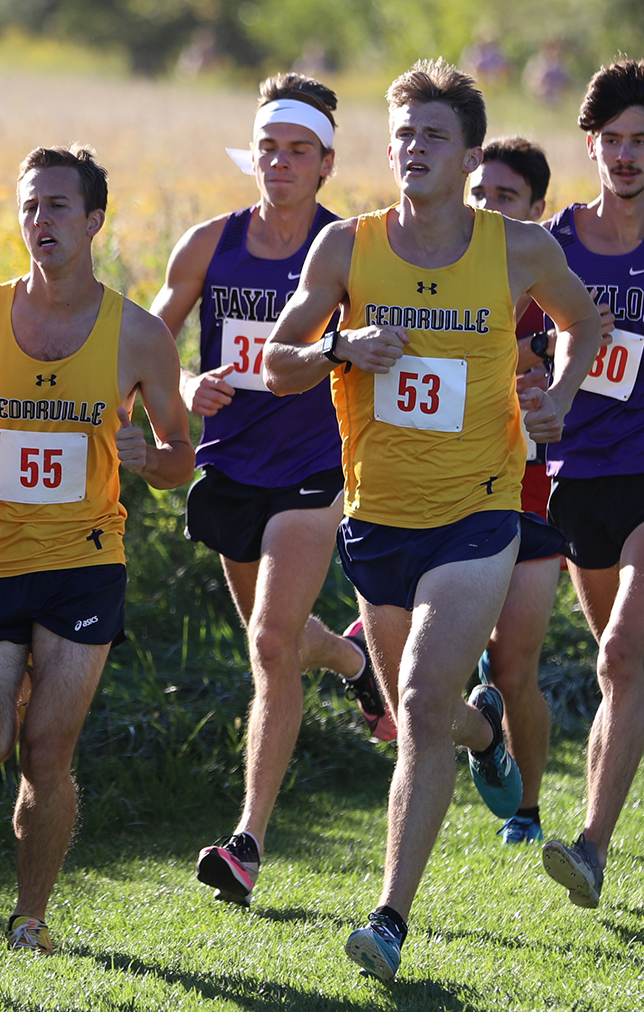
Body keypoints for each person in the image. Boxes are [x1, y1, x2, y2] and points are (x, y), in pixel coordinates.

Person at [261, 59, 602, 980]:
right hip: (377, 518)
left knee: (413, 703)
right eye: (404, 134)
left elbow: (587, 322)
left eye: (433, 137)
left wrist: (559, 396)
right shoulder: (347, 250)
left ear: (469, 154)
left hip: (480, 511)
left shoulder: (518, 249)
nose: (414, 150)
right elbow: (279, 358)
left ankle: (389, 919)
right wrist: (342, 345)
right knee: (424, 703)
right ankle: (487, 738)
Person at [0, 145, 194, 953]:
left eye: (58, 207)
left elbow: (182, 454)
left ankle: (29, 918)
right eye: (31, 206)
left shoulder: (137, 336)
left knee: (47, 748)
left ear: (94, 221)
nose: (41, 221)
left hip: (85, 561)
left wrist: (154, 462)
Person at [151, 72, 387, 908]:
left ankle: (247, 840)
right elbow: (148, 347)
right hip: (231, 469)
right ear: (251, 156)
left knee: (269, 647)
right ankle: (355, 660)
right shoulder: (208, 245)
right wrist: (186, 386)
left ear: (326, 162)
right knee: (277, 637)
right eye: (267, 150)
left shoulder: (348, 249)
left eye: (297, 152)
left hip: (317, 469)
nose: (278, 163)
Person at [541, 59, 644, 911]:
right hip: (578, 473)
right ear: (590, 145)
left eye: (642, 141)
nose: (627, 155)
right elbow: (504, 342)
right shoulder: (555, 240)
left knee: (621, 653)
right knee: (622, 670)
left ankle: (592, 846)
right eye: (613, 140)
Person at [465, 137, 578, 847]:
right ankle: (481, 735)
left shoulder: (554, 293)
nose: (486, 208)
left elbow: (588, 342)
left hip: (535, 498)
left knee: (515, 665)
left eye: (504, 197)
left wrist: (542, 365)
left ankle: (526, 810)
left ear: (537, 211)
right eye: (479, 194)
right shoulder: (433, 279)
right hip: (452, 498)